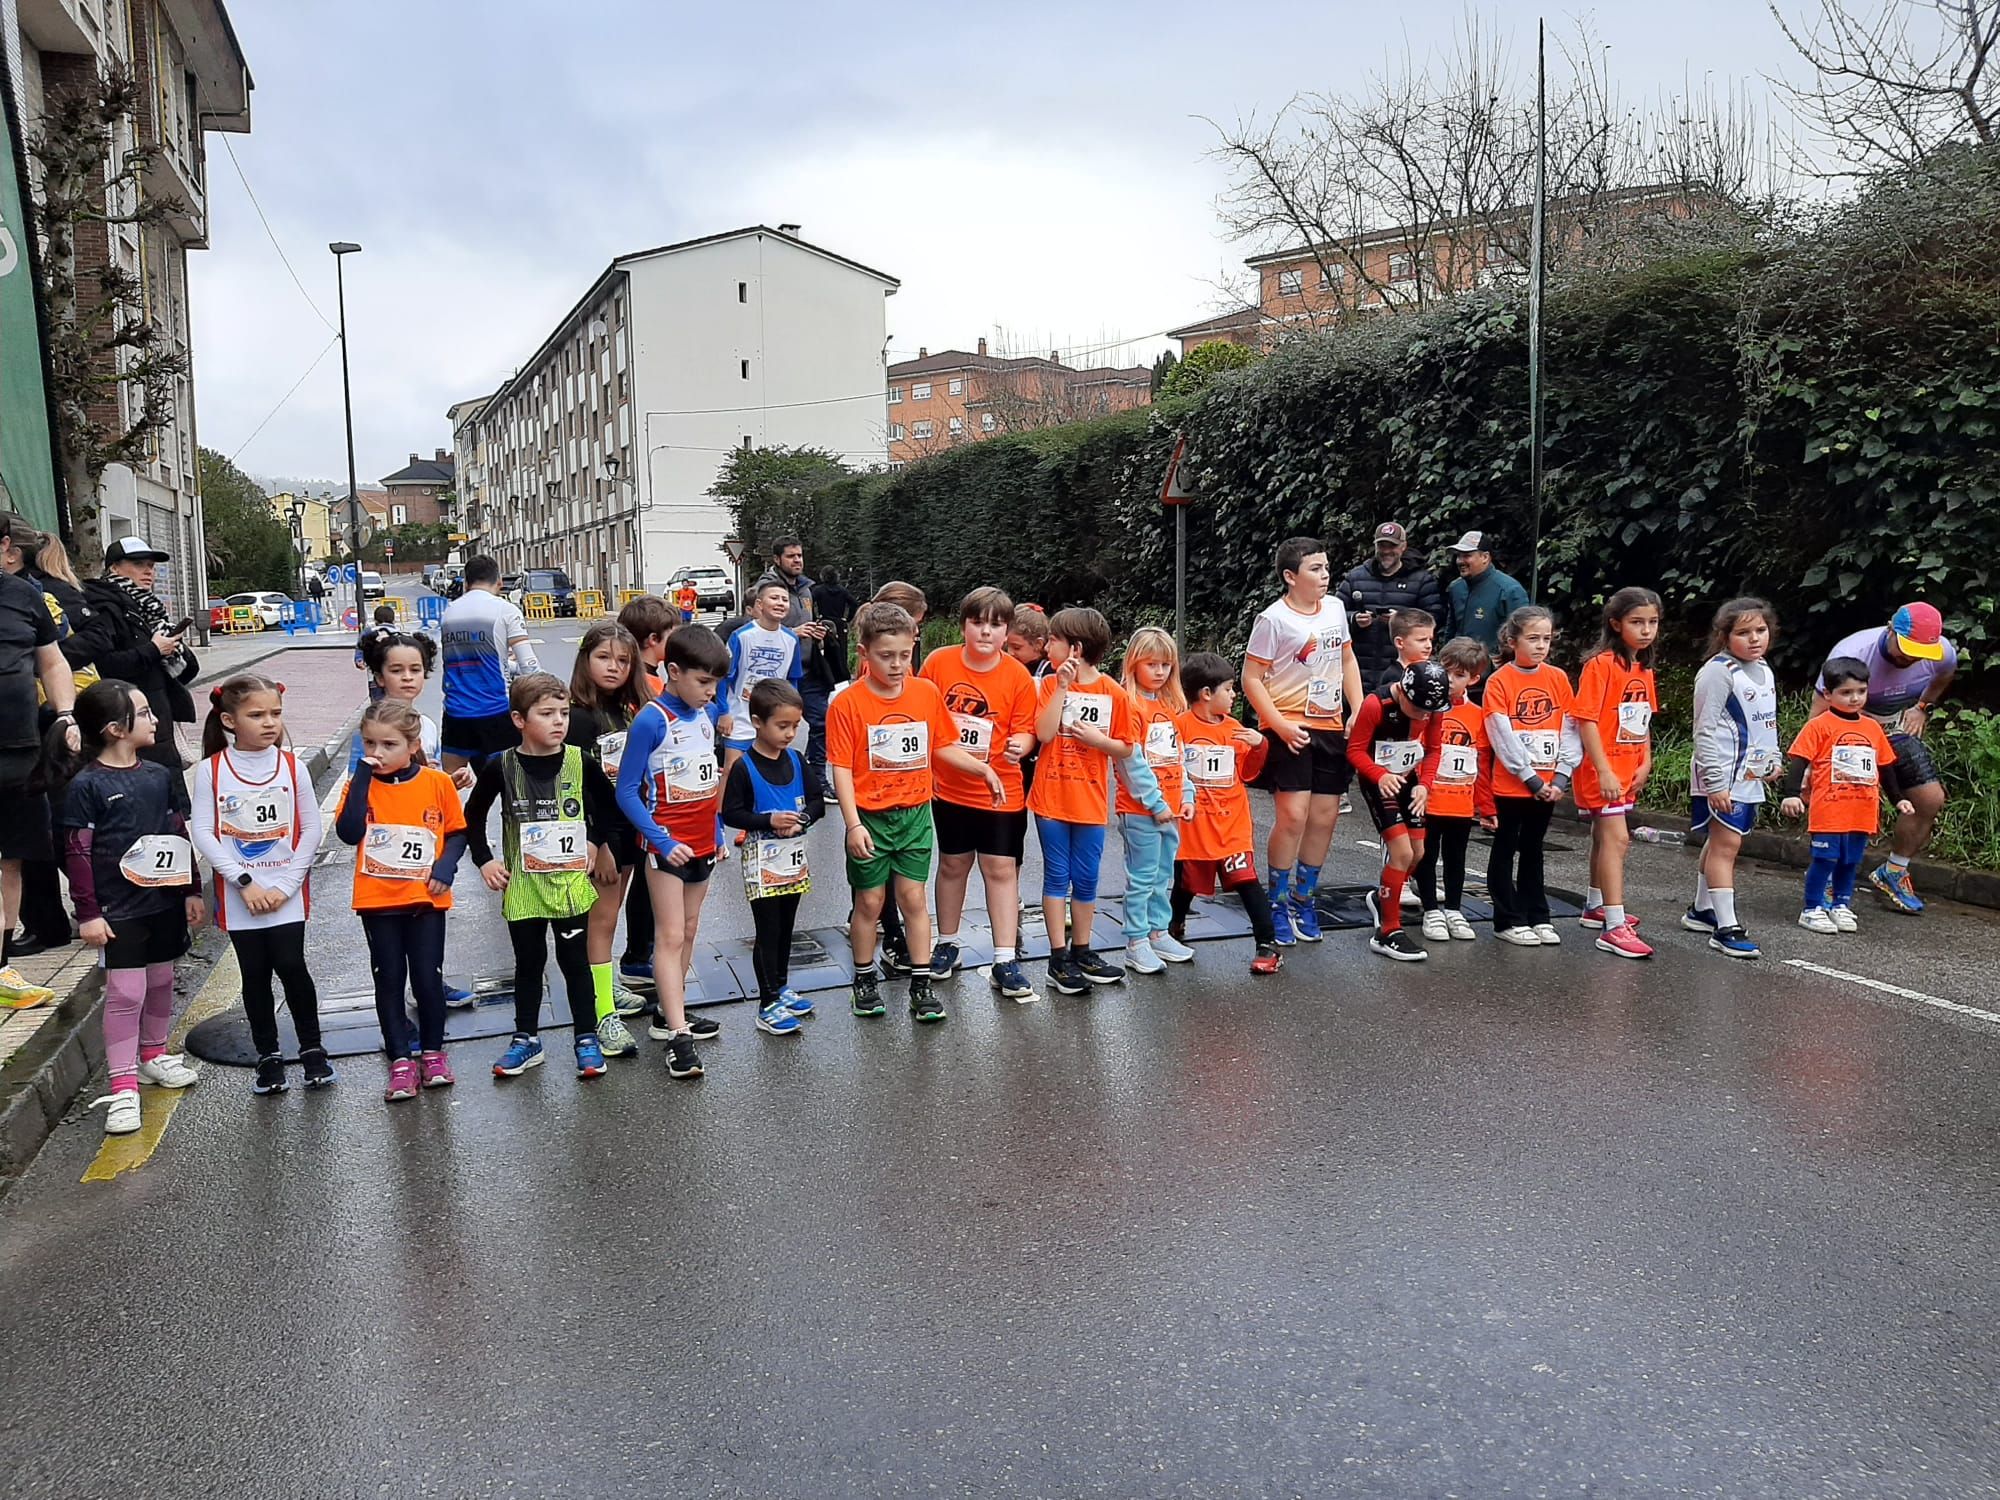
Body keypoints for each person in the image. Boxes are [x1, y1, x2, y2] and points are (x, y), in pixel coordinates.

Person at [827, 601, 1000, 1023]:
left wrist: (982, 768)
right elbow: (843, 768)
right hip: (870, 816)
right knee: (870, 902)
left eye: (905, 655)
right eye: (887, 656)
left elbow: (940, 744)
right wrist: (852, 824)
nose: (898, 665)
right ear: (864, 654)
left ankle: (921, 984)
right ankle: (864, 979)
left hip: (915, 813)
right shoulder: (847, 704)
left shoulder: (925, 693)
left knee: (914, 898)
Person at [48, 679, 205, 1136]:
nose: (155, 718)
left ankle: (153, 1055)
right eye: (144, 712)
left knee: (161, 979)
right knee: (126, 992)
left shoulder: (158, 776)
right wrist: (88, 913)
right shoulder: (87, 785)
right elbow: (77, 852)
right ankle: (122, 1087)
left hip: (163, 901)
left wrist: (192, 888)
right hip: (118, 909)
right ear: (116, 729)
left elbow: (177, 832)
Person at [470, 674, 621, 1082]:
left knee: (575, 963)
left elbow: (610, 809)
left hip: (570, 886)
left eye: (564, 713)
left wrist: (595, 842)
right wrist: (484, 860)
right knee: (528, 963)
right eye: (547, 714)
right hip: (523, 886)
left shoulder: (580, 761)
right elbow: (473, 816)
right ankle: (527, 1038)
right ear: (519, 719)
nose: (559, 722)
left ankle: (586, 1037)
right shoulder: (500, 765)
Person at [190, 674, 330, 1094]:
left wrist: (286, 885)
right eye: (257, 715)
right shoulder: (211, 771)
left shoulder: (293, 766)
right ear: (229, 721)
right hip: (241, 895)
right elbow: (203, 832)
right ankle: (267, 1055)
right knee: (254, 974)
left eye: (275, 713)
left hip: (285, 888)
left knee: (291, 966)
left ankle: (312, 1050)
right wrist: (243, 882)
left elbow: (311, 830)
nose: (270, 723)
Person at [334, 700, 469, 1100]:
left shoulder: (436, 783)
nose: (377, 753)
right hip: (378, 900)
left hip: (426, 897)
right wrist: (361, 774)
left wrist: (445, 868)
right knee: (388, 980)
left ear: (412, 745)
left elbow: (458, 832)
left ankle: (433, 1052)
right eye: (369, 743)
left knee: (427, 979)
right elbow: (348, 830)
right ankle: (400, 1059)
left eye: (388, 744)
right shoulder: (360, 784)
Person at [615, 623, 733, 1079]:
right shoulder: (651, 719)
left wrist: (718, 829)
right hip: (666, 848)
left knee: (687, 928)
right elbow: (626, 791)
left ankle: (671, 1013)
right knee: (668, 935)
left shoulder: (703, 716)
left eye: (716, 684)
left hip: (704, 842)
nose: (711, 692)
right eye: (704, 682)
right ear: (674, 671)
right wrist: (661, 840)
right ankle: (679, 1038)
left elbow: (708, 783)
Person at [918, 586, 1038, 998]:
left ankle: (1004, 957)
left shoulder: (1018, 676)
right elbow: (922, 712)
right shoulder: (939, 663)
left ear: (1007, 632)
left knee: (1000, 869)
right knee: (953, 865)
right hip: (949, 787)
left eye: (996, 624)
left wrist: (1022, 744)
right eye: (977, 622)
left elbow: (1026, 729)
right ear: (964, 625)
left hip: (1001, 790)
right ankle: (947, 942)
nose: (985, 632)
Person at [1242, 537, 1361, 947]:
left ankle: (1304, 898)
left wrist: (1358, 707)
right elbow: (1250, 678)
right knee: (1293, 816)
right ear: (1290, 577)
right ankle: (1276, 903)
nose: (1325, 575)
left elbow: (1346, 658)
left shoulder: (1335, 609)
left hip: (1330, 726)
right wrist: (1277, 724)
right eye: (1315, 569)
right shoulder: (1272, 620)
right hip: (1288, 726)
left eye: (1326, 568)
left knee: (1324, 816)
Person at [1027, 606, 1140, 995]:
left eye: (1054, 640)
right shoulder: (1048, 685)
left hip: (1090, 801)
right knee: (1057, 875)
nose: (1046, 647)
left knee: (1087, 878)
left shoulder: (1114, 692)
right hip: (1051, 798)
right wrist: (1060, 687)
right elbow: (1042, 734)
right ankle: (1058, 957)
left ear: (1075, 647)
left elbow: (1125, 747)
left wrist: (1098, 742)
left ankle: (1083, 950)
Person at [1817, 602, 1957, 914]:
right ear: (1890, 630)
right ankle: (1825, 877)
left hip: (1894, 730)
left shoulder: (1942, 652)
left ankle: (1893, 872)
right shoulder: (1853, 651)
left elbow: (1946, 673)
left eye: (1923, 651)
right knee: (1846, 810)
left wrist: (1922, 706)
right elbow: (1819, 713)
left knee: (1930, 799)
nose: (1913, 657)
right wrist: (1817, 764)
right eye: (1908, 647)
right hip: (1849, 734)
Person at [565, 622, 651, 1057]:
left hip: (630, 827)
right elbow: (576, 789)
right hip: (601, 835)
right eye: (604, 658)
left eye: (622, 660)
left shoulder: (632, 710)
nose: (614, 667)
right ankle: (601, 1013)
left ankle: (607, 986)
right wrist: (595, 841)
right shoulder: (577, 718)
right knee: (600, 920)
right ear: (585, 660)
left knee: (611, 916)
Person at [1782, 656, 1915, 936]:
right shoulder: (1819, 725)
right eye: (1846, 692)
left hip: (1861, 809)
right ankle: (1812, 908)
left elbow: (1885, 766)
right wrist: (1792, 794)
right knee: (1825, 859)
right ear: (1828, 695)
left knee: (1850, 860)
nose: (1855, 698)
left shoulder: (1872, 728)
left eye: (1861, 691)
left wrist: (1897, 798)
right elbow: (1799, 760)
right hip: (1829, 808)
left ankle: (1840, 904)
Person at [720, 679, 823, 1036]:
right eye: (782, 726)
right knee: (768, 929)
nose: (790, 733)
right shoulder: (744, 768)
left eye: (795, 726)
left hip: (793, 860)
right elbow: (731, 813)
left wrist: (802, 820)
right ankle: (766, 1003)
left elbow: (817, 802)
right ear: (757, 722)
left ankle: (781, 986)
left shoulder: (796, 759)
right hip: (761, 861)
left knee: (787, 926)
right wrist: (768, 821)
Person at [1169, 652, 1281, 975]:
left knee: (1247, 880)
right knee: (1186, 883)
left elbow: (1249, 772)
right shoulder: (1179, 726)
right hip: (1193, 822)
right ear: (1206, 694)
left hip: (1231, 823)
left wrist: (1260, 746)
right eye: (1229, 689)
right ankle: (1173, 926)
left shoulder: (1235, 730)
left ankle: (1267, 944)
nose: (1234, 696)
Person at [0, 517, 80, 969]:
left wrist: (65, 714)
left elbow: (53, 663)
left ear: (5, 546)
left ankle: (2, 969)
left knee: (13, 861)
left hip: (20, 751)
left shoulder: (23, 595)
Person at [1686, 597, 1781, 960]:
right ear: (1725, 636)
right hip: (1723, 772)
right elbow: (1704, 730)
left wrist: (1772, 762)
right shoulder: (1717, 672)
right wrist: (1714, 782)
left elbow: (1763, 723)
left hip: (1749, 774)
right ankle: (1725, 927)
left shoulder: (1763, 669)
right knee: (1727, 846)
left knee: (1722, 840)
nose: (1755, 638)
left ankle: (1700, 910)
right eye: (1743, 632)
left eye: (1760, 630)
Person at [1571, 587, 1662, 959]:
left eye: (1652, 622)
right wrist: (1604, 770)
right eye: (1636, 622)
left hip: (1628, 766)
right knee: (1617, 840)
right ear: (1615, 623)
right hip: (1602, 768)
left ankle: (1595, 905)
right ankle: (1613, 924)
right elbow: (1586, 719)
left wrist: (1646, 759)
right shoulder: (1601, 665)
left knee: (1604, 837)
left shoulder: (1642, 666)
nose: (1646, 630)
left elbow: (1643, 720)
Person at [1482, 605, 1579, 947]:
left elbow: (1570, 726)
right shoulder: (1499, 681)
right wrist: (1531, 779)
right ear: (1512, 641)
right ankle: (1507, 918)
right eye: (1533, 638)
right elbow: (1501, 734)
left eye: (1547, 639)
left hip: (1550, 782)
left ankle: (1538, 913)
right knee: (1506, 847)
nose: (1541, 646)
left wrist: (1561, 777)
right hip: (1513, 784)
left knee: (1534, 849)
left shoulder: (1557, 678)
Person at [1348, 661, 1451, 961]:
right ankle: (1388, 931)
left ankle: (1384, 895)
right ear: (1403, 694)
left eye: (1428, 712)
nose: (1423, 716)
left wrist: (1425, 786)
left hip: (1409, 778)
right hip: (1378, 780)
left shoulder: (1433, 710)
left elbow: (1433, 749)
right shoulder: (1375, 705)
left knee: (1418, 853)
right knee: (1401, 853)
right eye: (1417, 709)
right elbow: (1355, 750)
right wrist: (1380, 775)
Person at [78, 535, 197, 774]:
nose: (147, 572)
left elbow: (182, 673)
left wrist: (176, 649)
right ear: (114, 567)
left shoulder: (149, 608)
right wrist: (154, 650)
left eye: (151, 566)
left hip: (157, 720)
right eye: (138, 564)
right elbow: (105, 665)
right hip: (125, 724)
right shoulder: (102, 605)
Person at [1116, 626, 1191, 975]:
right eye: (1152, 664)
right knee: (1143, 876)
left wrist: (1185, 795)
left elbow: (1179, 757)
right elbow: (1132, 763)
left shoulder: (1168, 706)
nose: (1160, 672)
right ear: (1133, 665)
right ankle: (1136, 940)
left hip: (1171, 809)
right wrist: (1156, 803)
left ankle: (1159, 931)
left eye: (1166, 665)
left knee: (1164, 875)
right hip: (1140, 810)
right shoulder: (1129, 707)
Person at [1414, 637, 1495, 942]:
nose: (1450, 680)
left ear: (1473, 679)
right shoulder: (1423, 710)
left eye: (1459, 675)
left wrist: (1486, 807)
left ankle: (1454, 908)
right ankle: (1431, 909)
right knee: (1426, 852)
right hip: (1428, 800)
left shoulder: (1477, 715)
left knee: (1456, 856)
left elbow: (1483, 762)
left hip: (1461, 802)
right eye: (1446, 671)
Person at [437, 554, 538, 773]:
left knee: (449, 789)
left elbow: (470, 663)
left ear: (466, 583)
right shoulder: (506, 610)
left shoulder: (448, 613)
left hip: (456, 715)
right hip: (495, 712)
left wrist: (507, 666)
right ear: (499, 582)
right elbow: (529, 665)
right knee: (511, 790)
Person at [753, 538, 838, 795]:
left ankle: (817, 779)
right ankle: (767, 782)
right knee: (775, 729)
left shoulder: (806, 589)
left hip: (808, 668)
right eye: (791, 556)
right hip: (778, 673)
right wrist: (793, 633)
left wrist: (818, 632)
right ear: (777, 560)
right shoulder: (767, 589)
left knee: (822, 722)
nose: (798, 561)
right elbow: (759, 628)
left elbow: (806, 622)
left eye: (800, 556)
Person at [1338, 522, 1448, 688]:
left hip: (1403, 670)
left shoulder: (1422, 580)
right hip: (1359, 668)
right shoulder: (1355, 576)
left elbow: (1434, 617)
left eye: (1392, 546)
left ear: (1403, 547)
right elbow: (1334, 614)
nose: (1386, 551)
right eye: (1382, 545)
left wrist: (1400, 620)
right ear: (1375, 546)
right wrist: (1354, 619)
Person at [1443, 531, 1532, 662]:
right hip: (1458, 668)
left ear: (1485, 557)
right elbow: (1450, 631)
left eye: (1467, 556)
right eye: (1458, 556)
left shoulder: (1510, 590)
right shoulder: (1456, 588)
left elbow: (1521, 636)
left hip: (1494, 669)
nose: (1460, 561)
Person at [355, 604, 399, 703]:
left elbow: (360, 647)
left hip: (374, 674)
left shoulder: (368, 632)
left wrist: (359, 660)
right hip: (395, 674)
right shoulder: (398, 633)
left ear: (375, 621)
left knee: (377, 701)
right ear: (393, 620)